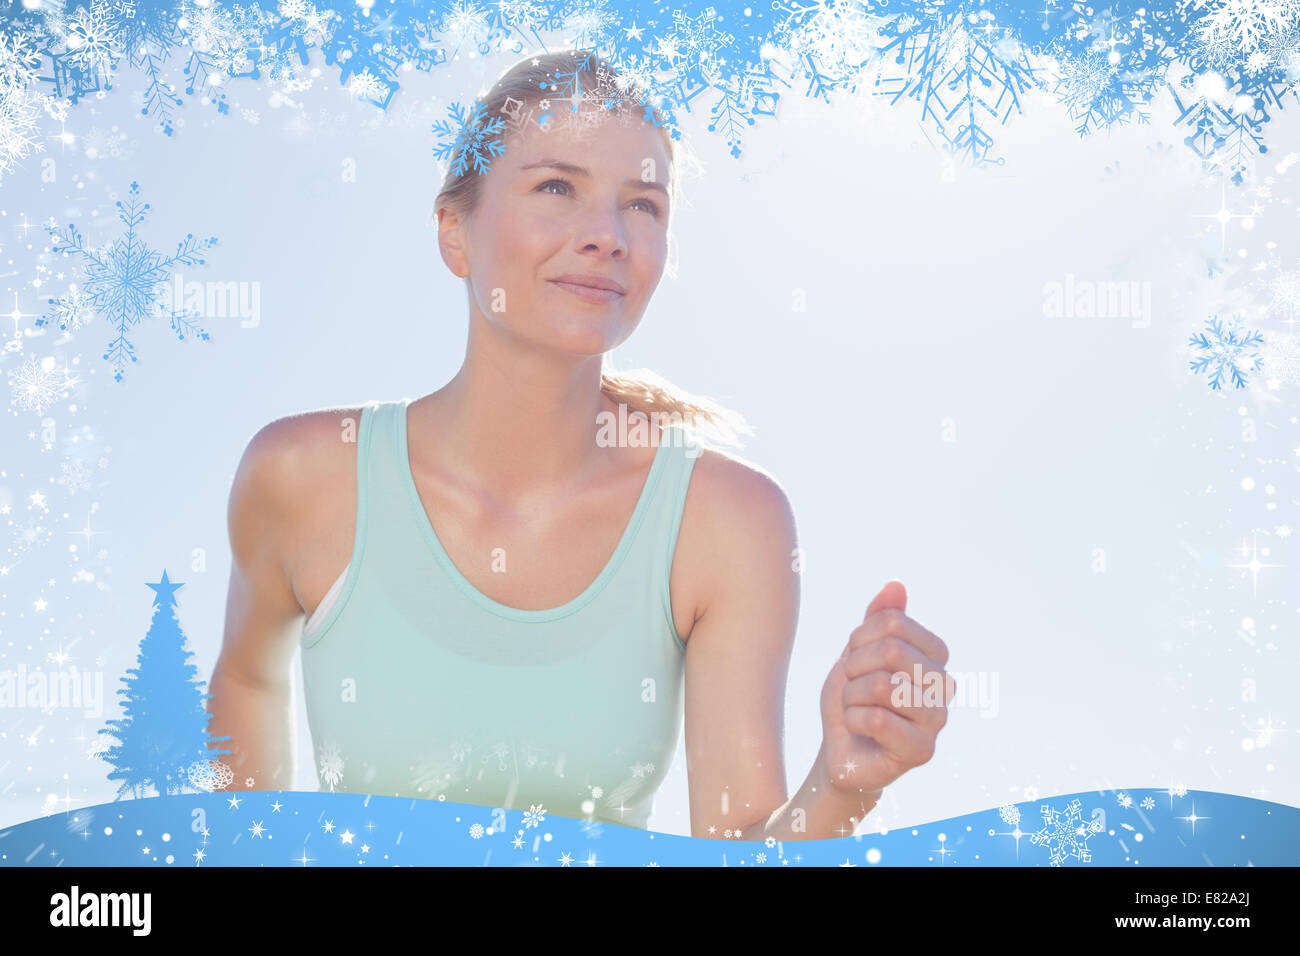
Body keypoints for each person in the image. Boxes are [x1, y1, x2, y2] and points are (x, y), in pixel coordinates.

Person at [206, 49, 954, 840]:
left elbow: (737, 855)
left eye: (644, 205)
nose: (606, 235)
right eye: (557, 187)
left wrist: (842, 787)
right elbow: (248, 681)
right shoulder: (301, 477)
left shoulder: (730, 522)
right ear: (455, 233)